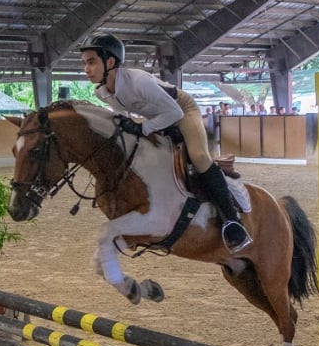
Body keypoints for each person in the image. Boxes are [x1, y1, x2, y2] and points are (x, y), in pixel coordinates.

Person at [79, 33, 251, 252]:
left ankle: (232, 222)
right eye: (85, 63)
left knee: (198, 157)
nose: (87, 69)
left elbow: (174, 111)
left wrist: (143, 128)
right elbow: (126, 117)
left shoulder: (138, 81)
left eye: (92, 62)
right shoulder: (101, 92)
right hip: (157, 118)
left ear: (110, 62)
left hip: (182, 110)